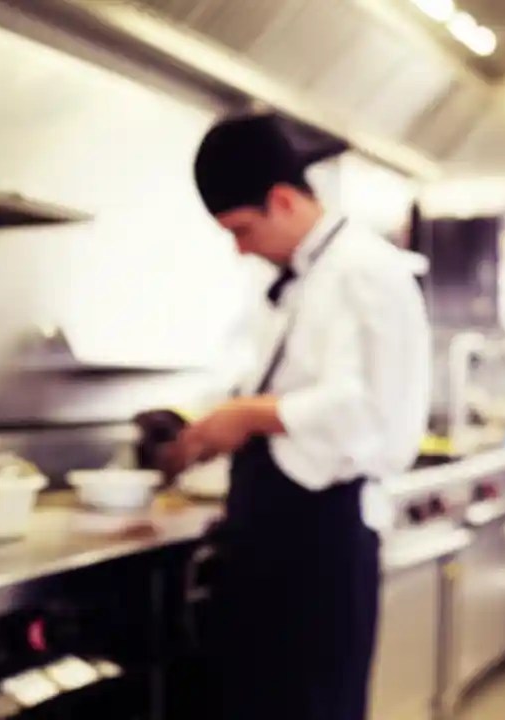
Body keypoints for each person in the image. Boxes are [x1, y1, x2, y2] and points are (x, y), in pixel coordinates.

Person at [162, 112, 431, 720]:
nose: (239, 247)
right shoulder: (297, 279)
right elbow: (268, 382)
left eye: (241, 228)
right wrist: (211, 427)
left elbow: (374, 412)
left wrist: (249, 415)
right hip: (272, 531)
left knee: (316, 705)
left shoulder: (366, 270)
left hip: (323, 536)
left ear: (282, 200)